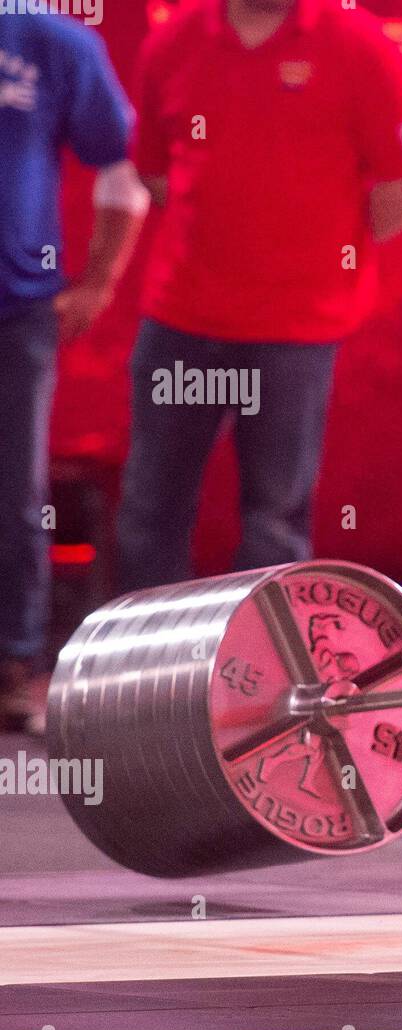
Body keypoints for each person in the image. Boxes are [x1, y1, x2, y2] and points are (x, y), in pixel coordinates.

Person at [115, 0, 402, 593]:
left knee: (275, 519)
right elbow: (154, 171)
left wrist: (324, 245)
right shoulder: (175, 41)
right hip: (181, 318)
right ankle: (136, 680)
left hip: (296, 332)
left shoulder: (359, 45)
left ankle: (263, 676)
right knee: (150, 509)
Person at [0, 11, 147, 733]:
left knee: (15, 495)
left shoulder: (53, 44)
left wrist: (98, 280)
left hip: (16, 311)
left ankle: (16, 666)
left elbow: (124, 162)